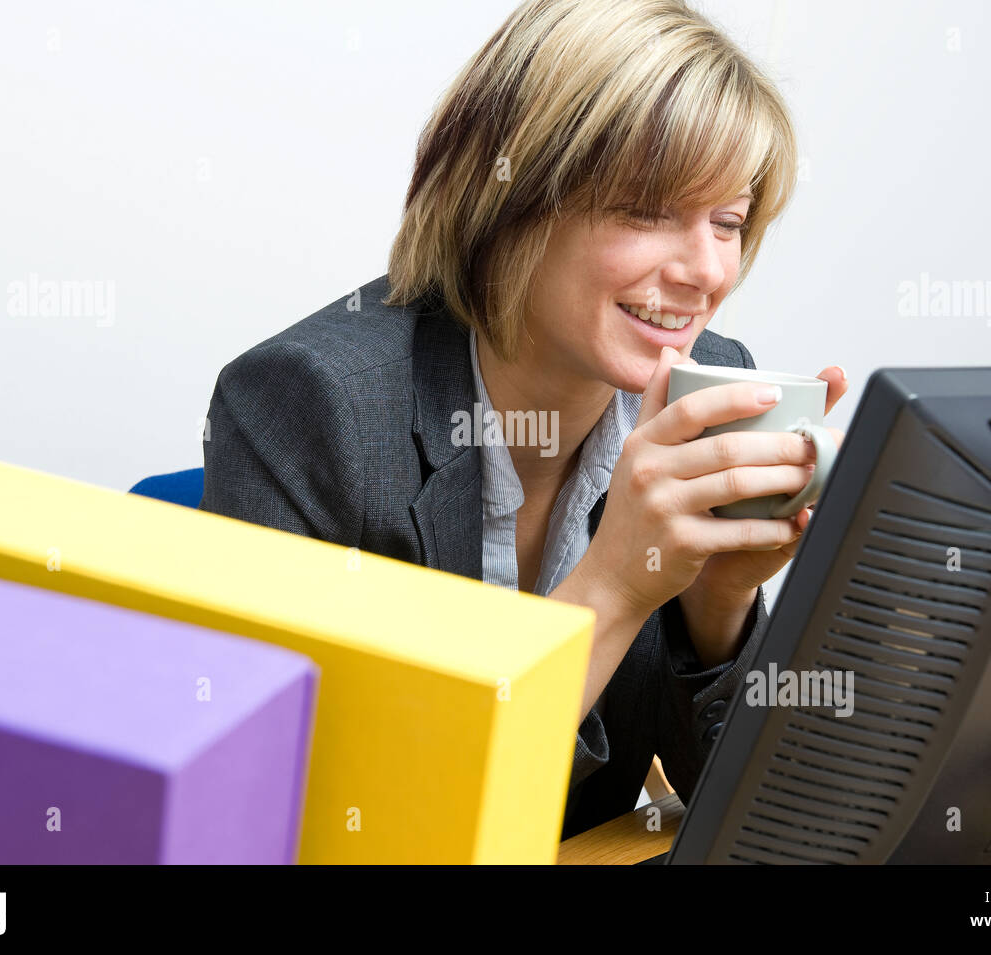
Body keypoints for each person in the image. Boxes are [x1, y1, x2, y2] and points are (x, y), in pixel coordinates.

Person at [199, 0, 847, 839]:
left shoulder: (707, 393)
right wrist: (613, 585)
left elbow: (754, 817)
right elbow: (334, 826)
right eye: (647, 211)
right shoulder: (307, 407)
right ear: (510, 199)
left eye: (727, 221)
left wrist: (721, 602)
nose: (707, 269)